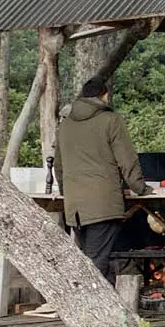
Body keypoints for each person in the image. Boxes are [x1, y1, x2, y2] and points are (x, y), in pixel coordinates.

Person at [54, 76, 148, 281]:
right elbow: (127, 159)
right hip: (102, 204)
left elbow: (59, 167)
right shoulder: (111, 120)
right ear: (104, 95)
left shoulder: (65, 125)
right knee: (96, 262)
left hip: (75, 208)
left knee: (91, 258)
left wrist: (66, 193)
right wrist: (141, 188)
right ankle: (91, 310)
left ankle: (99, 308)